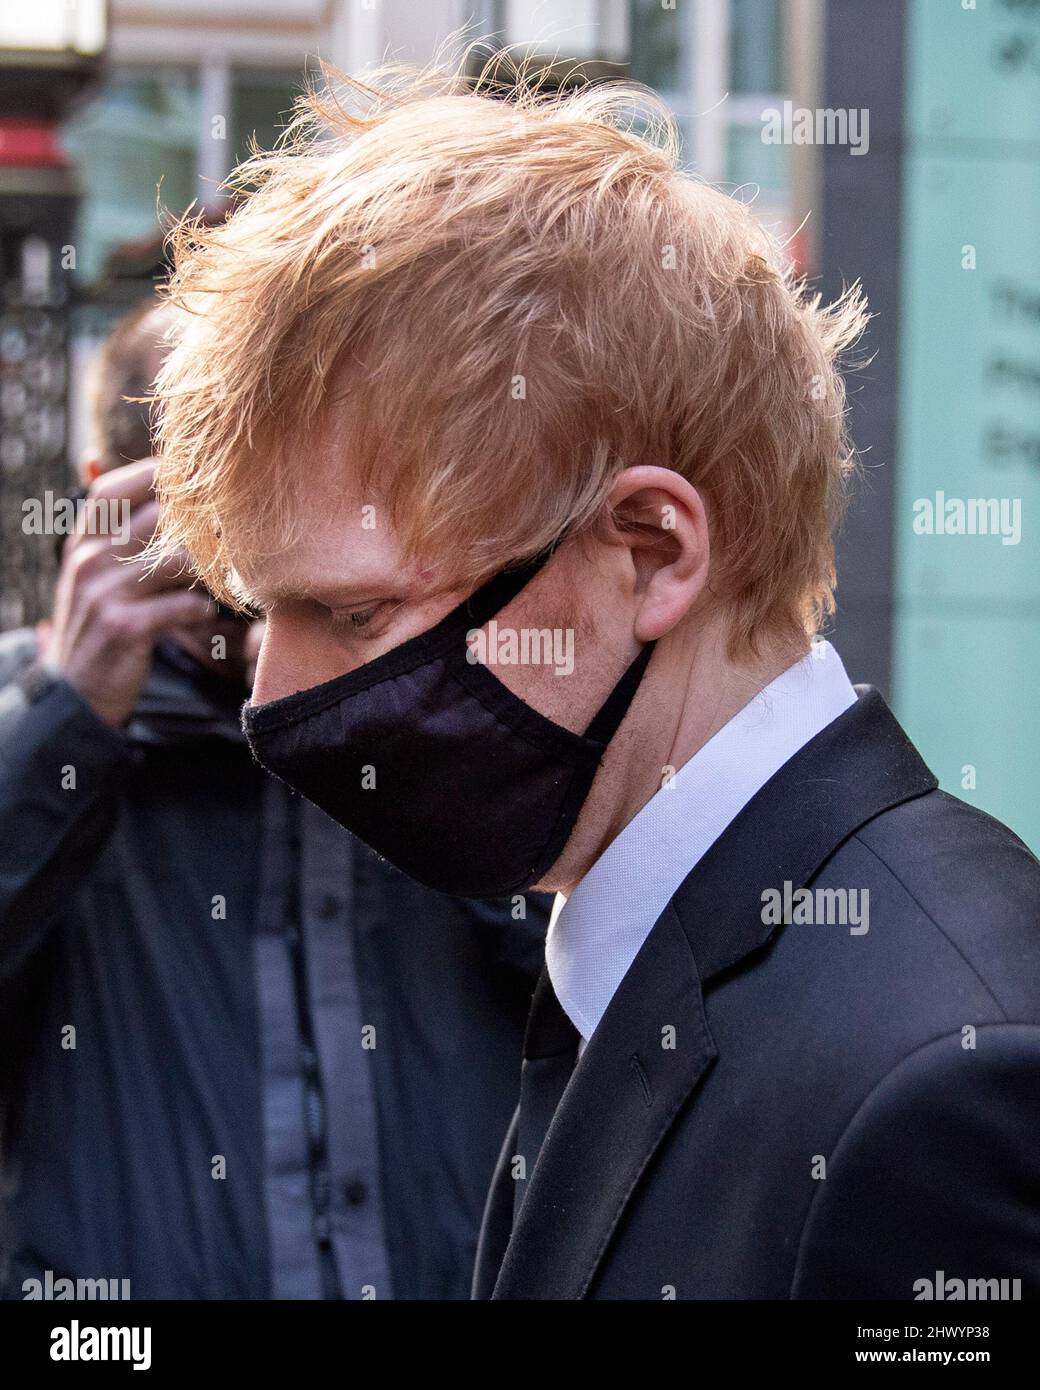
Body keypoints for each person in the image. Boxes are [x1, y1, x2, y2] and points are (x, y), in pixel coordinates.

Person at [148, 58, 1040, 1301]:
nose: (275, 698)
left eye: (355, 610)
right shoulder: (649, 951)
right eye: (259, 614)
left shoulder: (938, 1077)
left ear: (651, 551)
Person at [0, 301, 549, 1301]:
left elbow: (590, 995)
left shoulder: (440, 711)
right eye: (212, 517)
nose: (249, 575)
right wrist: (67, 716)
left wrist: (384, 711)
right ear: (106, 497)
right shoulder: (26, 720)